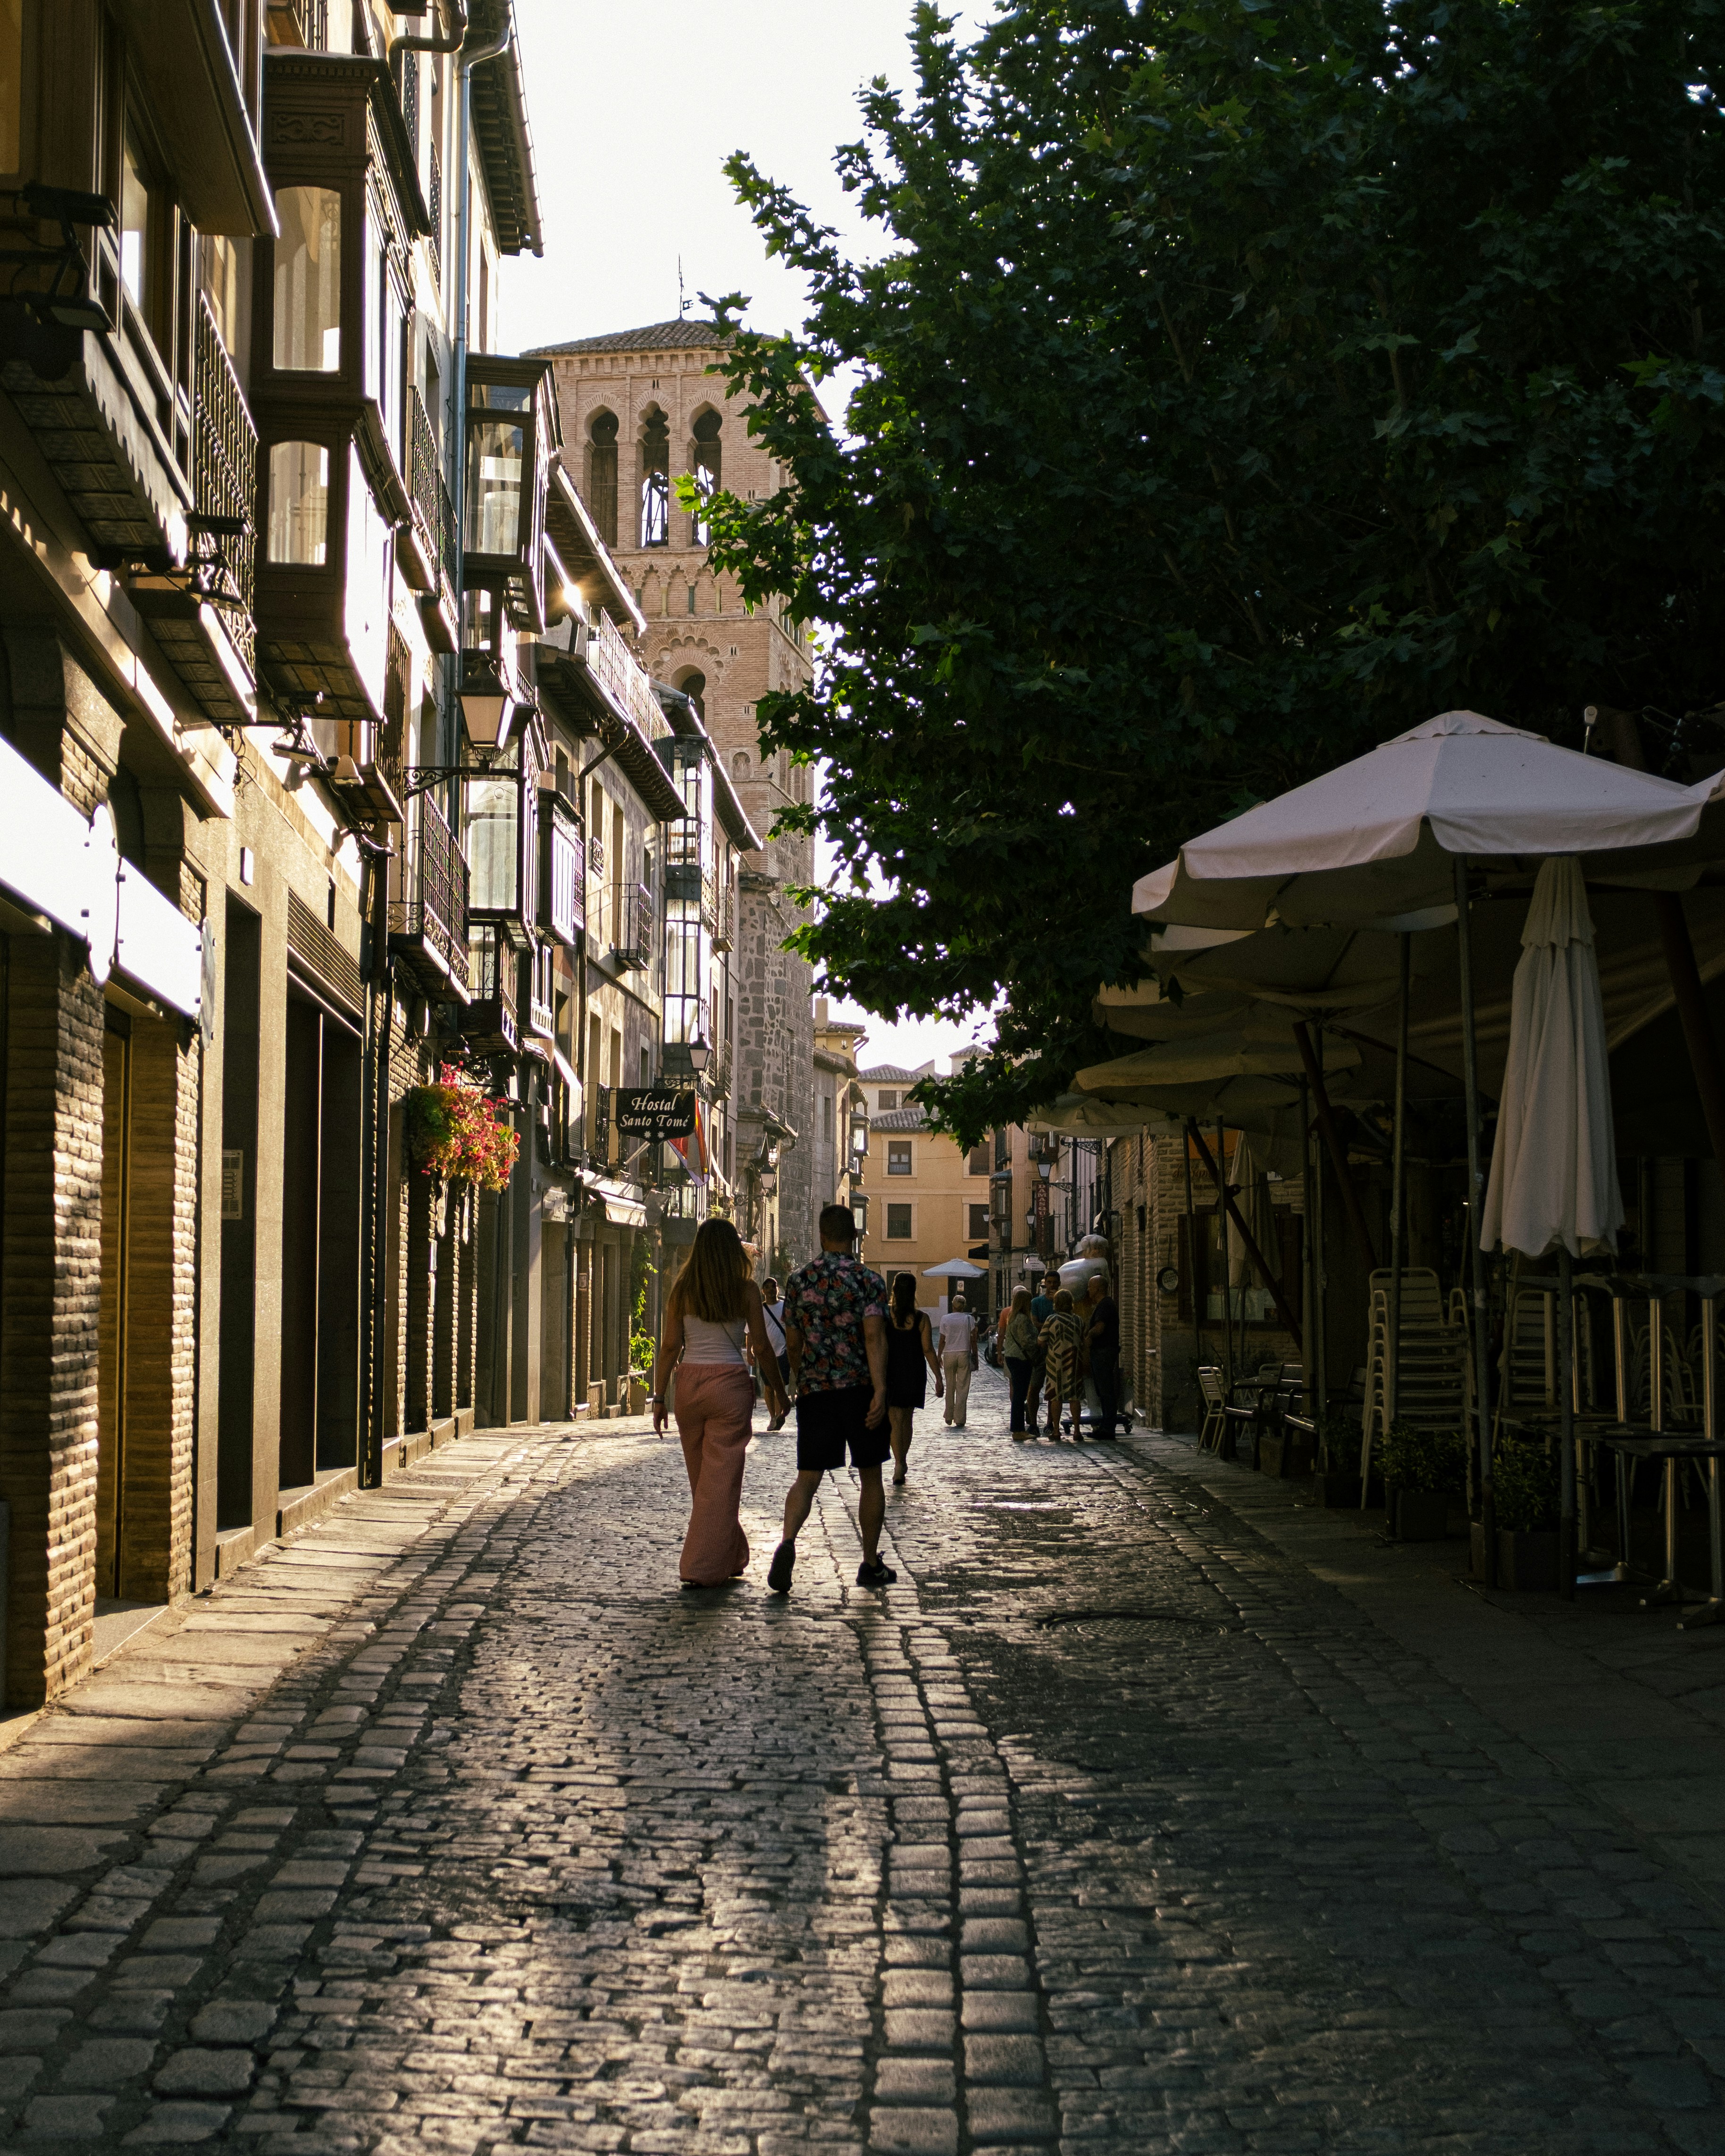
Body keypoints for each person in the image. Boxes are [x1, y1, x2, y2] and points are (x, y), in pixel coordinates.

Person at [651, 1219, 789, 1588]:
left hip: (690, 1388)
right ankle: (701, 1567)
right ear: (732, 1251)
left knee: (705, 1482)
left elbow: (669, 1347)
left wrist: (659, 1396)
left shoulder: (683, 1290)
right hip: (729, 1387)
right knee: (720, 1483)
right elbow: (761, 1347)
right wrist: (781, 1393)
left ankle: (730, 1553)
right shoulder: (745, 1291)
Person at [769, 1204, 895, 1594]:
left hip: (816, 1391)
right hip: (859, 1389)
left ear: (822, 1236)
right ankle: (870, 1562)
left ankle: (788, 1542)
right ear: (854, 1236)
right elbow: (874, 1336)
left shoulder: (799, 1281)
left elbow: (792, 1342)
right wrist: (881, 1389)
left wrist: (799, 1379)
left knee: (807, 1478)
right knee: (871, 1474)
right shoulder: (869, 1281)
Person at [884, 1272, 944, 1485]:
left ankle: (899, 1463)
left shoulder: (884, 1316)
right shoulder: (922, 1319)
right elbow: (928, 1350)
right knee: (907, 1420)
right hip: (913, 1373)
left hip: (890, 1373)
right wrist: (938, 1377)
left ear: (894, 1291)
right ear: (914, 1292)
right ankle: (902, 1460)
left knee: (893, 1421)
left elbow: (876, 1346)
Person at [1039, 1287, 1085, 1438]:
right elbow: (1084, 1340)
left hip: (1055, 1364)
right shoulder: (1078, 1320)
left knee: (1056, 1396)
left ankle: (1056, 1431)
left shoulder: (1051, 1320)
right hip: (1075, 1362)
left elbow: (1041, 1341)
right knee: (1075, 1396)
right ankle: (1077, 1431)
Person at [1086, 1272, 1123, 1438]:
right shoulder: (1104, 1304)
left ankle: (1108, 1428)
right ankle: (1106, 1425)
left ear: (1098, 1289)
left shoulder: (1105, 1305)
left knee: (1106, 1390)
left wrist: (1089, 1336)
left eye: (1090, 1287)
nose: (1088, 1290)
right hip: (1103, 1352)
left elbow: (1100, 1328)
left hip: (1104, 1352)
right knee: (1103, 1390)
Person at [1002, 1287, 1040, 1437]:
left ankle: (1018, 1429)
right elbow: (1026, 1341)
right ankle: (1018, 1430)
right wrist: (1039, 1343)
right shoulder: (1023, 1319)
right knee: (1020, 1395)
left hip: (1012, 1357)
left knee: (1018, 1394)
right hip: (1020, 1358)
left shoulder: (1012, 1316)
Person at [939, 1295, 978, 1428]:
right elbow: (974, 1340)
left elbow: (942, 1340)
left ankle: (949, 1416)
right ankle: (960, 1418)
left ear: (953, 1305)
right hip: (964, 1353)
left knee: (950, 1385)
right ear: (964, 1306)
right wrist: (976, 1357)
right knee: (962, 1387)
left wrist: (939, 1356)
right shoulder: (969, 1319)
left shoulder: (945, 1319)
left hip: (949, 1354)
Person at [757, 1275, 791, 1431]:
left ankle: (779, 1416)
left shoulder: (785, 1307)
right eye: (768, 1288)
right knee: (769, 1387)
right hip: (765, 1353)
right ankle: (772, 1417)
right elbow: (751, 1333)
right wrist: (751, 1352)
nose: (771, 1290)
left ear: (778, 1289)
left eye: (774, 1287)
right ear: (763, 1291)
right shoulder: (759, 1309)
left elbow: (793, 1329)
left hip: (783, 1352)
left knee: (781, 1385)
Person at [1027, 1276, 1055, 1431]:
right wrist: (1056, 1323)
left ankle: (1051, 1423)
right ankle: (1033, 1423)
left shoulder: (1063, 1301)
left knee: (1053, 1390)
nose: (1051, 1285)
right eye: (1049, 1282)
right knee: (1034, 1388)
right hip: (1039, 1353)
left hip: (1057, 1353)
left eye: (1054, 1282)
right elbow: (1035, 1323)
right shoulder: (1037, 1303)